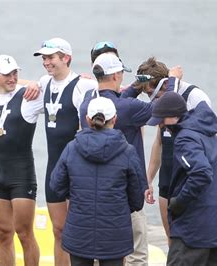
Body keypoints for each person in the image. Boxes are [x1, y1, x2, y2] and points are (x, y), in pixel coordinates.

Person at [50, 96, 145, 266]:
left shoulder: (72, 148)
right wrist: (120, 206)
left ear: (87, 119)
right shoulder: (127, 151)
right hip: (115, 233)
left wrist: (77, 196)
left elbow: (56, 186)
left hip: (79, 231)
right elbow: (137, 199)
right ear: (114, 119)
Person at [78, 52, 154, 265]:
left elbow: (115, 100)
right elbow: (165, 108)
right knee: (135, 253)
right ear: (116, 76)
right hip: (127, 192)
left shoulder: (87, 104)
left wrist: (135, 87)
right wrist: (172, 81)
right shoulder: (128, 108)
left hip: (96, 193)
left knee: (99, 254)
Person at [31, 37, 97, 266]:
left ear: (66, 58)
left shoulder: (83, 85)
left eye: (50, 58)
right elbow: (14, 87)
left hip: (76, 169)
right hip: (53, 169)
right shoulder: (43, 82)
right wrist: (27, 84)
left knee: (79, 232)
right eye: (44, 58)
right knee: (58, 230)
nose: (46, 62)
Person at [146, 92, 217, 266]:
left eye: (162, 120)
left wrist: (178, 202)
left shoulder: (185, 138)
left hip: (192, 229)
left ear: (175, 116)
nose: (160, 125)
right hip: (215, 228)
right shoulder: (210, 135)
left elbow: (202, 173)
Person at [138, 58, 212, 241]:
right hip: (167, 180)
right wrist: (148, 179)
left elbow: (208, 142)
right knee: (172, 243)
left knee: (190, 245)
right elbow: (159, 142)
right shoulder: (163, 106)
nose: (151, 100)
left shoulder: (195, 97)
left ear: (164, 84)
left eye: (150, 94)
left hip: (188, 182)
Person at [0, 55, 43, 266]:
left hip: (22, 175)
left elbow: (57, 90)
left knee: (24, 234)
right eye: (7, 74)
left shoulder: (28, 97)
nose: (12, 78)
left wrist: (36, 83)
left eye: (15, 73)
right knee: (3, 233)